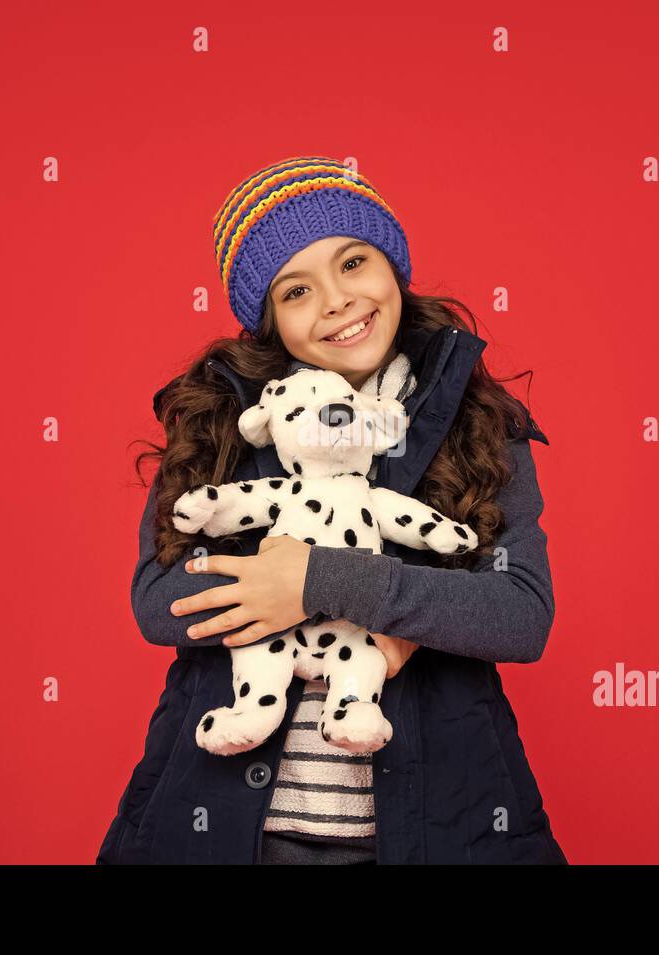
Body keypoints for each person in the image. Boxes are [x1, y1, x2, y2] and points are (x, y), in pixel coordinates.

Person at [96, 156, 568, 864]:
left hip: (440, 828)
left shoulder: (477, 421)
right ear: (270, 319)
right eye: (297, 290)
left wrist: (321, 580)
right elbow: (158, 601)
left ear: (392, 265)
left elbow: (520, 613)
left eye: (353, 261)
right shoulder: (224, 419)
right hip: (229, 830)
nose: (338, 300)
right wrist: (289, 586)